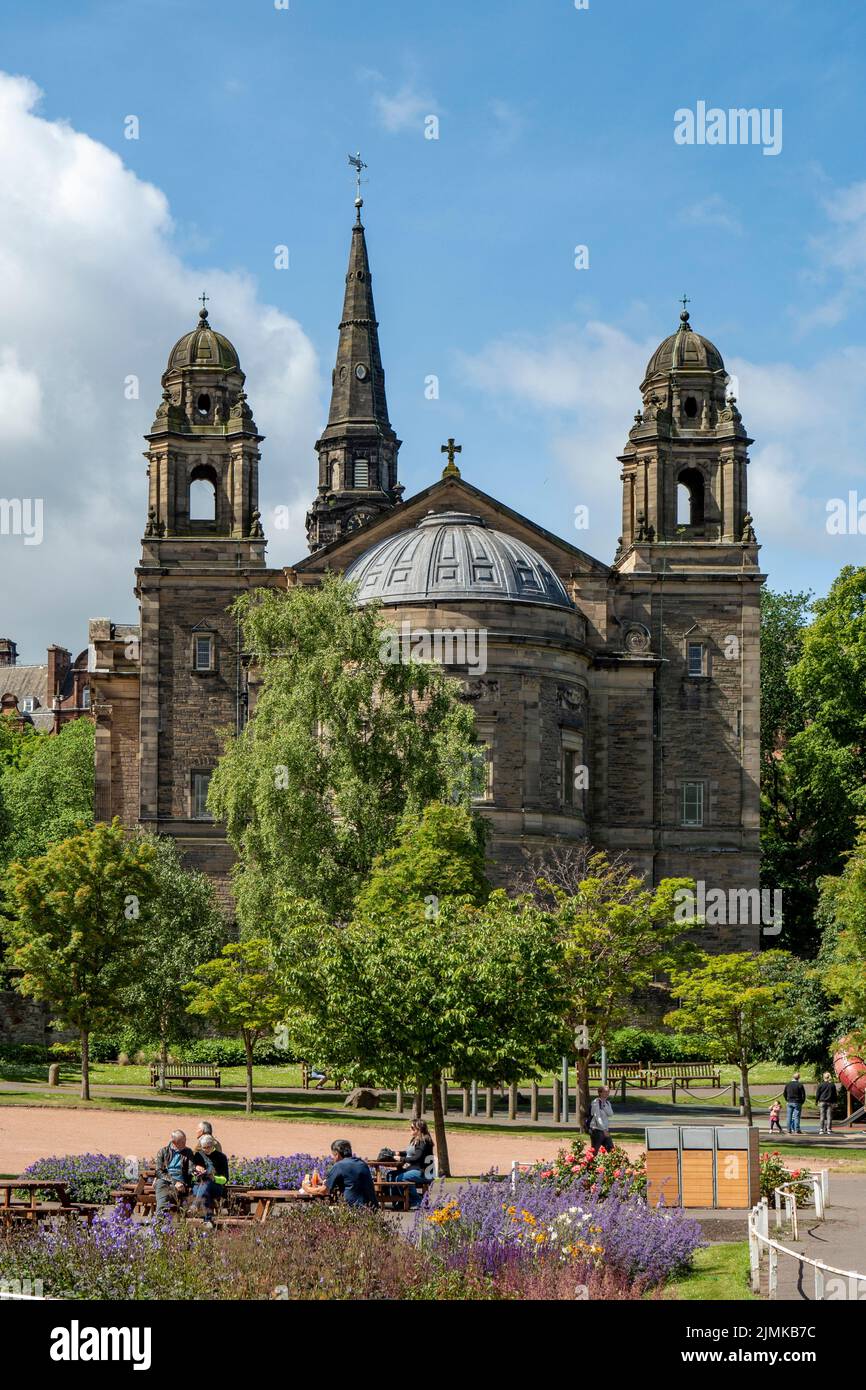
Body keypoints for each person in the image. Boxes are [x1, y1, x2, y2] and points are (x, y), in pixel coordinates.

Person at [390, 1119, 434, 1207]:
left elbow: (418, 1157)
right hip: (415, 1169)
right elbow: (409, 1153)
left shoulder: (424, 1141)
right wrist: (398, 1153)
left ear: (419, 1129)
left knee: (400, 1178)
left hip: (424, 1172)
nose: (410, 1129)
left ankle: (416, 1201)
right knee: (391, 1175)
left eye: (412, 1128)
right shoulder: (415, 1139)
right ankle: (399, 1200)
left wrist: (401, 1159)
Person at [324, 1139, 378, 1209]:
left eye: (333, 1155)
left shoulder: (339, 1165)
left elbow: (324, 1190)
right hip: (372, 1208)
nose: (333, 1159)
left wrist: (306, 1188)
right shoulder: (362, 1164)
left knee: (326, 1211)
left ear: (337, 1154)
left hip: (353, 1209)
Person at [154, 1129, 196, 1218]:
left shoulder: (188, 1152)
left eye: (185, 1141)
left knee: (169, 1193)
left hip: (181, 1182)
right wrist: (174, 1181)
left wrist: (194, 1172)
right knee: (161, 1186)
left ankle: (161, 1222)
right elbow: (158, 1171)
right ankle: (159, 1222)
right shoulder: (163, 1152)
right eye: (182, 1142)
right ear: (174, 1142)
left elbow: (190, 1170)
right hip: (166, 1180)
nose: (185, 1144)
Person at [190, 1135, 229, 1226]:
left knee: (207, 1183)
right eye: (204, 1148)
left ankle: (196, 1204)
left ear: (212, 1146)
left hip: (216, 1186)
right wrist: (196, 1172)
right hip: (199, 1185)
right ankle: (207, 1221)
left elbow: (225, 1179)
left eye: (208, 1147)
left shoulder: (221, 1157)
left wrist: (213, 1178)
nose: (206, 1150)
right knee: (205, 1190)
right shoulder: (198, 1155)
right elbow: (191, 1176)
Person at [589, 1087, 614, 1152]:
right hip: (596, 1129)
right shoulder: (595, 1102)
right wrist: (604, 1130)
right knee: (594, 1150)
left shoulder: (607, 1103)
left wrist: (604, 1106)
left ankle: (614, 1162)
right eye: (605, 1092)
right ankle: (590, 1161)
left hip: (605, 1129)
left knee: (611, 1149)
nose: (607, 1093)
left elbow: (610, 1114)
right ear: (600, 1093)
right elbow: (598, 1117)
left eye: (608, 1091)